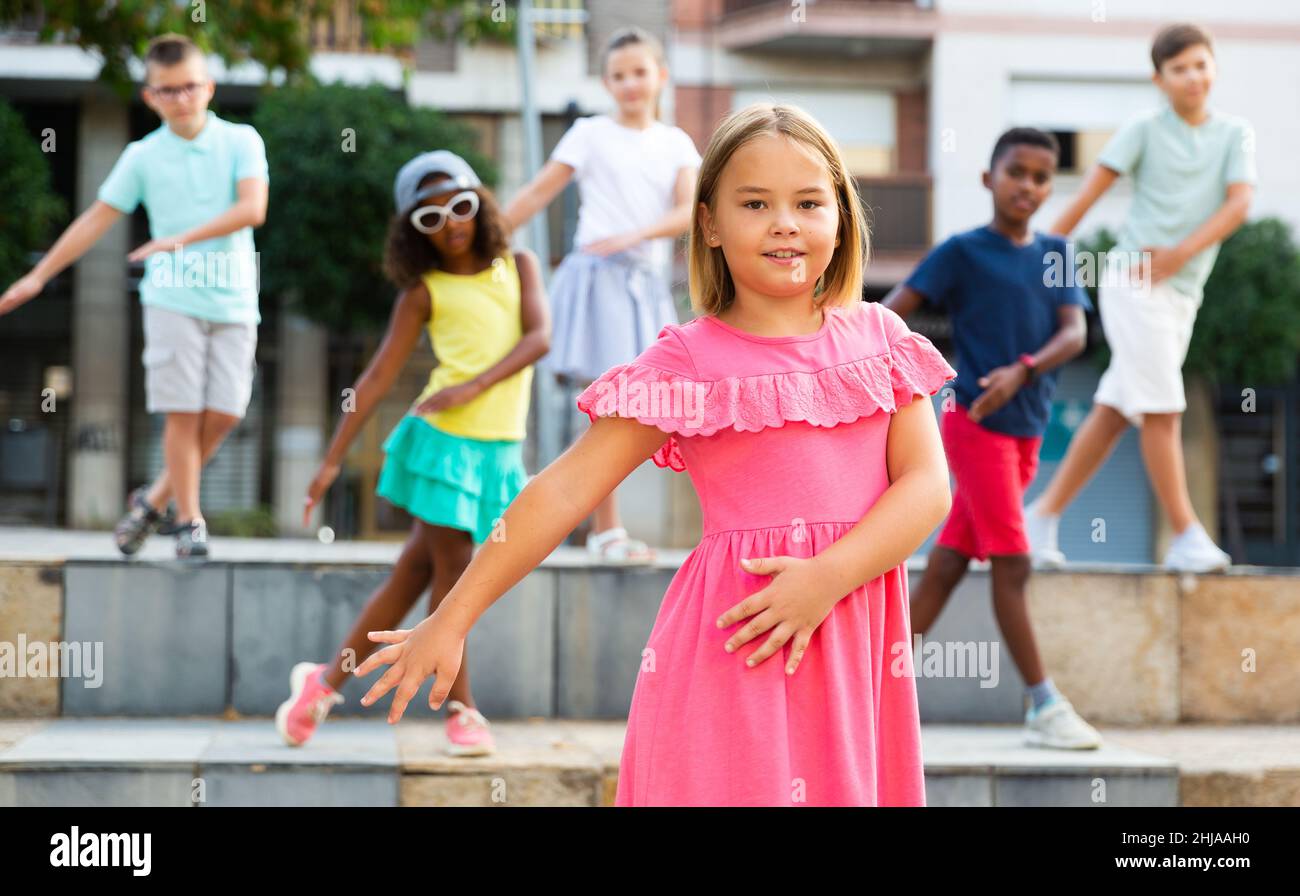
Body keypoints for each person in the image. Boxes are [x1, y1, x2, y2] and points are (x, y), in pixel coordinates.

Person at [351, 103, 957, 806]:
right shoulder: (686, 362)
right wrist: (452, 617)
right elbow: (561, 492)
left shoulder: (881, 338)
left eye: (809, 202)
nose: (785, 222)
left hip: (849, 638)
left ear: (842, 215)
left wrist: (825, 578)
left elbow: (927, 488)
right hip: (739, 647)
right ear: (708, 223)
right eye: (755, 203)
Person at [278, 151, 549, 757]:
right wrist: (329, 462)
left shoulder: (520, 265)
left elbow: (540, 338)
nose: (451, 223)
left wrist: (473, 385)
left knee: (413, 575)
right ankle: (463, 709)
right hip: (442, 445)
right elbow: (374, 379)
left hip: (497, 447)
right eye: (431, 218)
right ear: (413, 231)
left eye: (460, 206)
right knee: (454, 572)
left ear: (479, 203)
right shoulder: (424, 293)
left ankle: (322, 684)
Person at [0, 33, 268, 559]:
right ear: (150, 96)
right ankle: (189, 522)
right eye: (167, 91)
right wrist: (38, 276)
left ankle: (152, 500)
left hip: (235, 298)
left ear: (208, 87)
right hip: (170, 296)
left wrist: (178, 238)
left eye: (190, 87)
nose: (180, 98)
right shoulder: (142, 155)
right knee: (182, 411)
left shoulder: (242, 141)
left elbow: (252, 209)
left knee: (227, 413)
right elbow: (97, 217)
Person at [883, 128, 1102, 750]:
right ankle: (1044, 706)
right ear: (988, 178)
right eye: (1016, 172)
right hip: (975, 425)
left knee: (949, 564)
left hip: (1027, 432)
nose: (1027, 186)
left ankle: (872, 685)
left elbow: (1075, 334)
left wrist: (1024, 371)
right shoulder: (962, 252)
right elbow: (895, 311)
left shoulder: (1058, 252)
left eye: (1040, 177)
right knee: (1014, 562)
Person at [1024, 22, 1256, 573]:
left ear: (1213, 68)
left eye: (1201, 64)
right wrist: (1035, 259)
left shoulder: (1234, 134)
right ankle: (1184, 534)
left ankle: (1040, 517)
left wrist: (1179, 254)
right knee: (1163, 409)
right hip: (1133, 281)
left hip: (1181, 292)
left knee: (1113, 412)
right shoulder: (1144, 129)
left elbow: (1239, 204)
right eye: (1180, 69)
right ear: (1160, 79)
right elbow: (1087, 194)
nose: (1193, 77)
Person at [503, 26, 701, 565]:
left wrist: (637, 235)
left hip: (644, 282)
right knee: (608, 406)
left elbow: (689, 210)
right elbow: (540, 190)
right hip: (596, 278)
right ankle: (605, 531)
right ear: (606, 83)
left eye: (639, 72)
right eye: (618, 76)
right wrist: (488, 235)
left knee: (659, 407)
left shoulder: (676, 142)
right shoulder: (589, 134)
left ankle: (604, 525)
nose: (630, 84)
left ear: (660, 76)